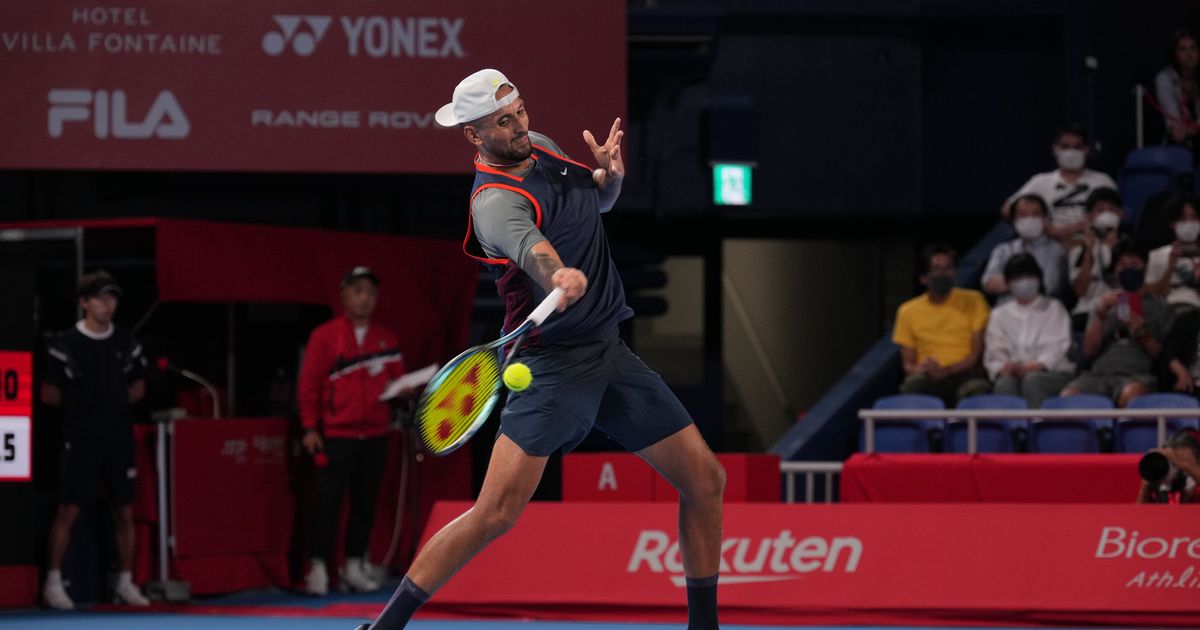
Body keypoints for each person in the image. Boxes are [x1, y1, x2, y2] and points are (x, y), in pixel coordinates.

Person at [361, 69, 725, 630]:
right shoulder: (493, 204)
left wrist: (609, 182)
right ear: (473, 136)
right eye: (503, 123)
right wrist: (558, 276)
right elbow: (533, 249)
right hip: (550, 367)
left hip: (608, 353)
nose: (520, 127)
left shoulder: (546, 149)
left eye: (521, 111)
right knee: (495, 514)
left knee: (705, 480)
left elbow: (594, 209)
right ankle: (383, 628)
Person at [40, 271, 149, 610]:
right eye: (100, 297)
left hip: (118, 438)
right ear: (84, 302)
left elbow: (139, 388)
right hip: (81, 439)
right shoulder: (66, 345)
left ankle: (126, 583)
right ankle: (53, 583)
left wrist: (111, 403)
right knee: (68, 510)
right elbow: (48, 392)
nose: (107, 304)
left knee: (125, 511)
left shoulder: (126, 343)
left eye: (112, 297)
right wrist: (83, 408)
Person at [299, 267, 407, 595]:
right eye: (358, 291)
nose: (364, 298)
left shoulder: (387, 339)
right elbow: (309, 385)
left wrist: (405, 390)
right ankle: (317, 568)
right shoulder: (324, 336)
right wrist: (309, 427)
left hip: (375, 435)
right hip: (336, 434)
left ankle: (354, 566)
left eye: (370, 292)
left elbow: (397, 382)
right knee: (327, 503)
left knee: (365, 504)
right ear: (344, 295)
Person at [1062, 239, 1175, 407]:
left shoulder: (1161, 307)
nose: (1128, 269)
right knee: (1069, 397)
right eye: (1122, 265)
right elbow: (1088, 351)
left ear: (1145, 267)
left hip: (1136, 375)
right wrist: (1100, 317)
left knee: (1132, 396)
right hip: (1098, 374)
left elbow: (1165, 357)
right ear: (1115, 269)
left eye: (1134, 264)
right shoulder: (1103, 305)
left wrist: (1144, 336)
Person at [893, 244, 991, 406]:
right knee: (913, 385)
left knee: (977, 389)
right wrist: (923, 369)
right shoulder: (907, 311)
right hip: (928, 376)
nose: (943, 274)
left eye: (948, 268)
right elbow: (908, 365)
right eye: (936, 269)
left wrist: (948, 371)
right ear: (923, 278)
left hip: (965, 374)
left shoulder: (975, 300)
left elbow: (975, 355)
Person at [983, 254, 1075, 408]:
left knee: (1032, 381)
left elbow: (1058, 348)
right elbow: (994, 352)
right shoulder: (999, 315)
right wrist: (1004, 367)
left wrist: (1035, 366)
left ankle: (1038, 428)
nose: (1024, 282)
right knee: (1004, 384)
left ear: (1038, 278)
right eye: (1018, 278)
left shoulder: (1054, 308)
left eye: (1028, 276)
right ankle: (1012, 430)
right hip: (1013, 374)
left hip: (1052, 373)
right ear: (1008, 283)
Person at [1002, 123, 1117, 242]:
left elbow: (1117, 215)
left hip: (1092, 245)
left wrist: (1071, 229)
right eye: (1065, 146)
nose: (1071, 151)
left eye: (1077, 147)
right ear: (1055, 149)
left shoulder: (1102, 181)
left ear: (1086, 150)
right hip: (1049, 246)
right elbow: (1007, 209)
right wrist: (1039, 225)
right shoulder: (1040, 181)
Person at [982, 194, 1068, 303]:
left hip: (1043, 313)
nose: (1029, 219)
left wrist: (1009, 282)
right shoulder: (1003, 250)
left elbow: (1048, 287)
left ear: (1045, 218)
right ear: (1014, 220)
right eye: (1023, 214)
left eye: (1035, 214)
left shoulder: (1056, 250)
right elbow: (988, 283)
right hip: (1006, 314)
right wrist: (1026, 283)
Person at [1068, 188, 1126, 330]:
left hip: (1120, 311)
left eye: (1112, 210)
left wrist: (1113, 249)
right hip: (1086, 311)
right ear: (1089, 217)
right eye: (1100, 210)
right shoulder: (1078, 252)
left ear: (1121, 214)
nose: (1107, 214)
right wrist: (1088, 252)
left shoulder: (1130, 248)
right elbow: (1080, 291)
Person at [1146, 193, 1200, 309]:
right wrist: (1170, 268)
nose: (1189, 223)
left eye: (1194, 217)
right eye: (1183, 219)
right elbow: (1153, 297)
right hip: (1168, 316)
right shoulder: (1156, 256)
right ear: (1172, 223)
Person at [1154, 29, 1200, 148]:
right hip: (1175, 146)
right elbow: (1173, 124)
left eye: (1193, 48)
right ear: (1175, 55)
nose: (1189, 54)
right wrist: (1183, 130)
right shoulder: (1165, 78)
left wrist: (1191, 131)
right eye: (1183, 49)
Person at [1136, 430, 1199, 503]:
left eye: (1185, 462)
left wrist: (1186, 467)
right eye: (1174, 463)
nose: (1179, 468)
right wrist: (1144, 489)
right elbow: (1138, 512)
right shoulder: (1162, 485)